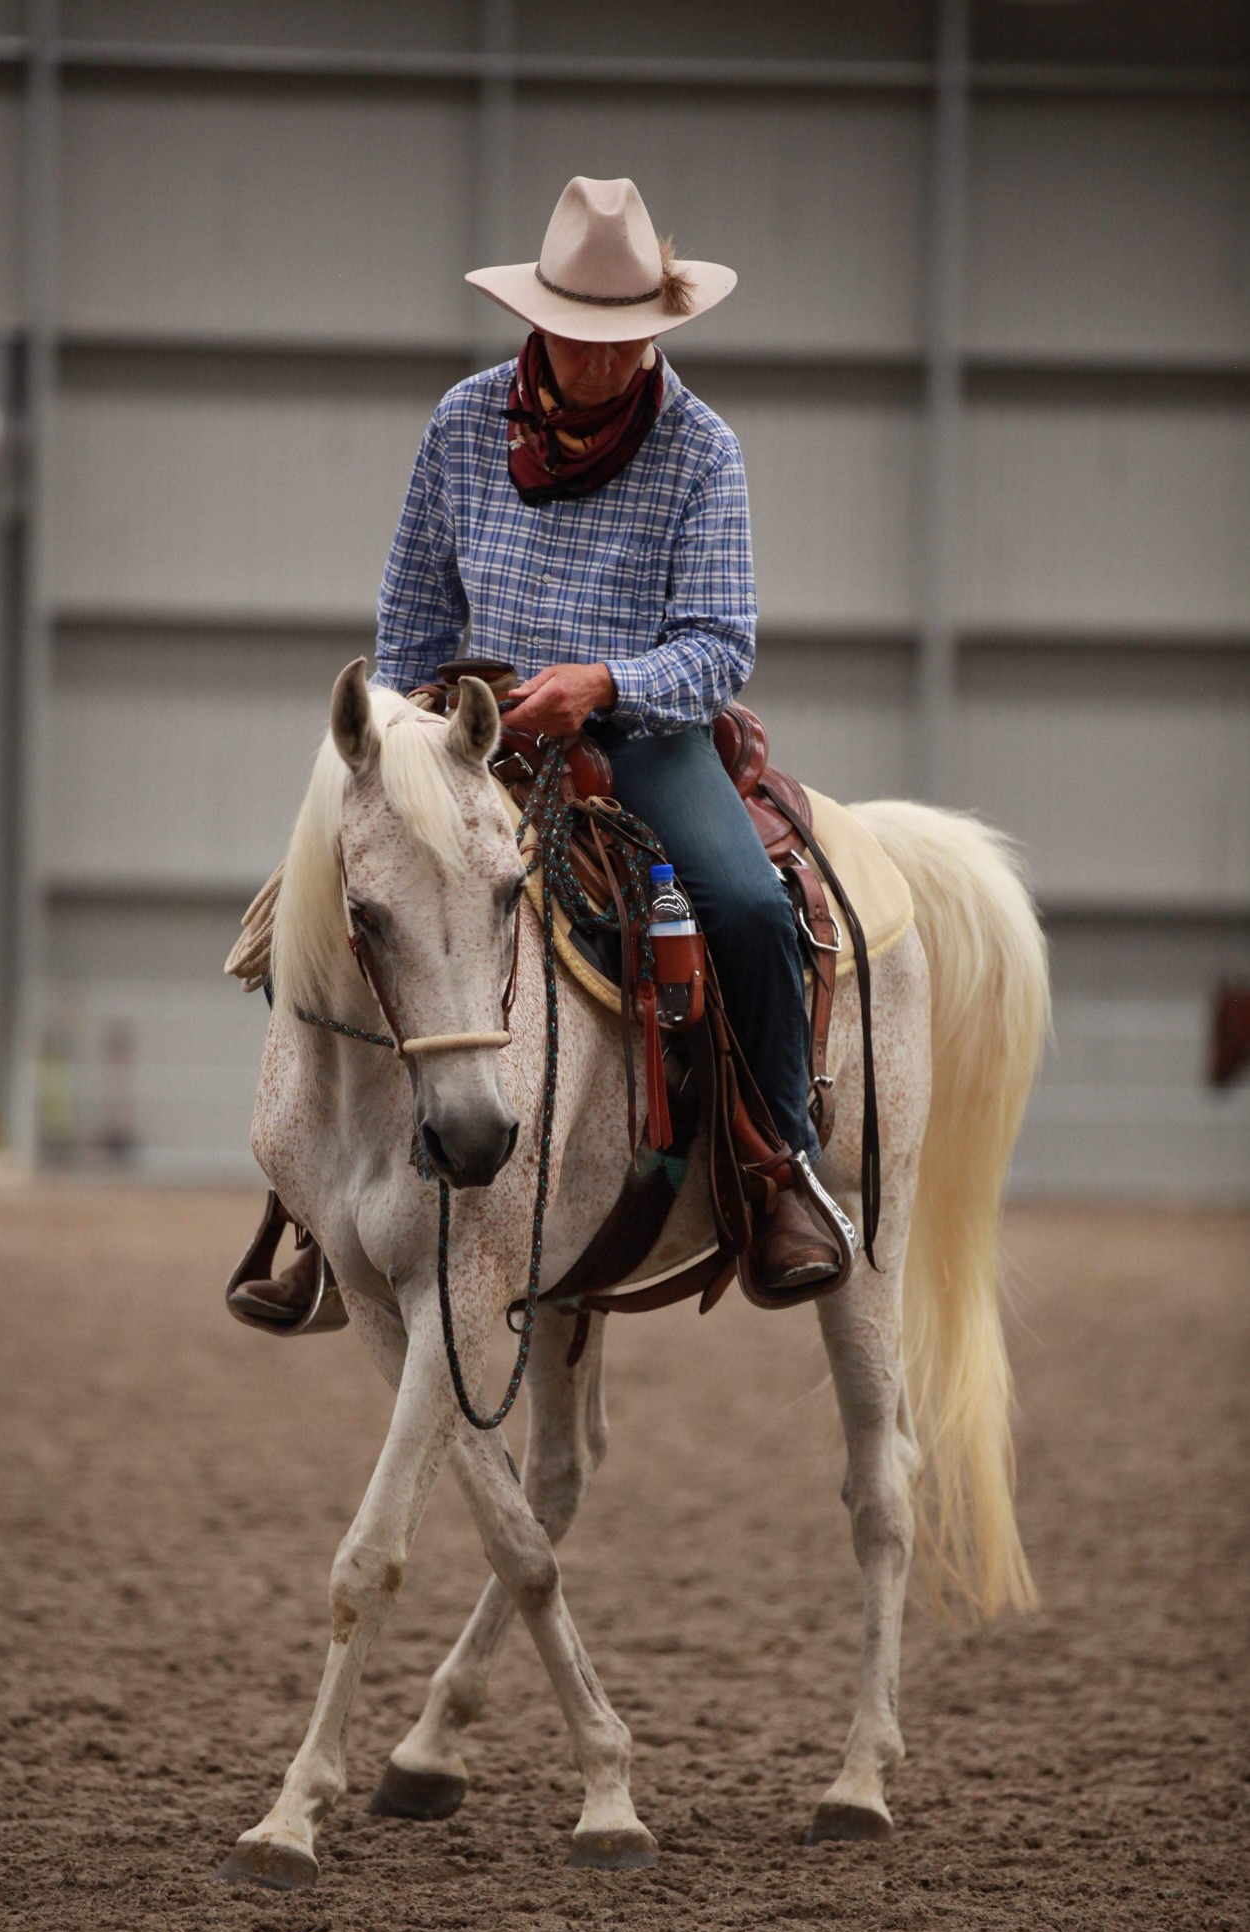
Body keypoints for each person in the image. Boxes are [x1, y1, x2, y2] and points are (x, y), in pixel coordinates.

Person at [238, 176, 845, 1319]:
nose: (605, 361)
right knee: (312, 908)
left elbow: (718, 646)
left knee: (752, 907)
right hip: (471, 735)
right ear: (541, 322)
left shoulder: (703, 449)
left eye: (628, 340)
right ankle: (319, 1202)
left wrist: (604, 683)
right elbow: (413, 606)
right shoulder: (464, 421)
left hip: (644, 734)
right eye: (583, 336)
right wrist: (415, 725)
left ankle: (778, 1168)